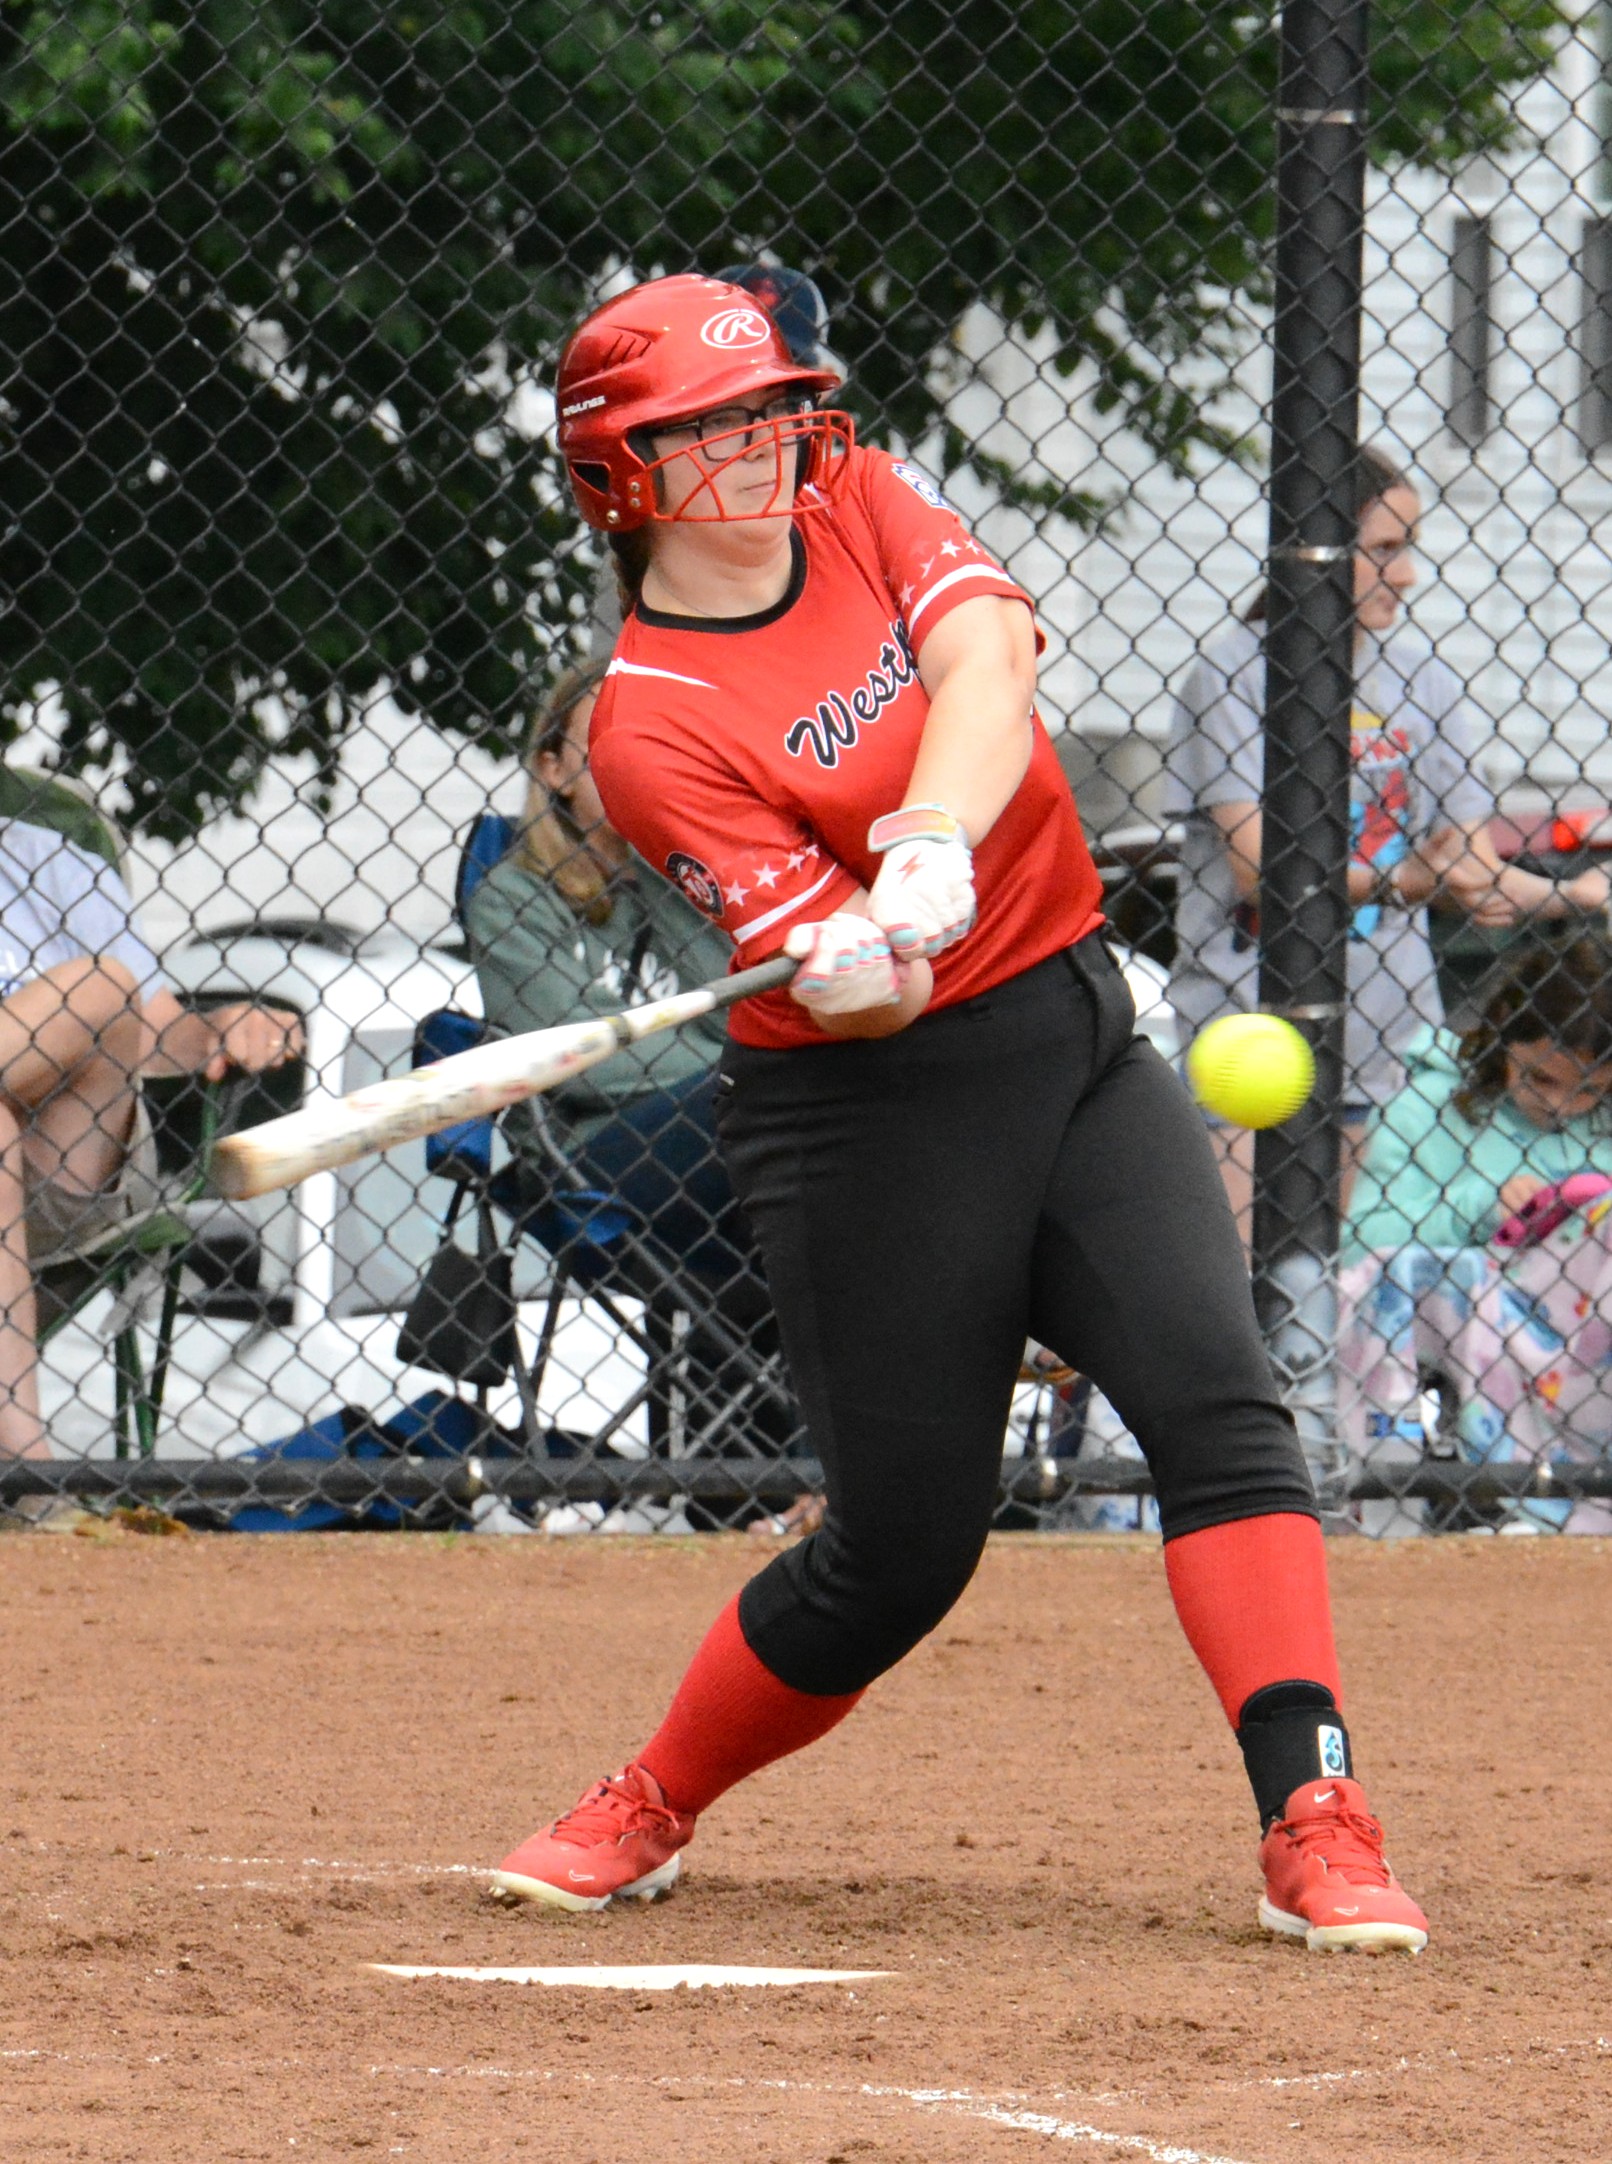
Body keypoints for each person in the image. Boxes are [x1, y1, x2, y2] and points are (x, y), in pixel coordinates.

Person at [487, 272, 1429, 1954]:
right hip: (863, 1116)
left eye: (770, 404)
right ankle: (651, 1792)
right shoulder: (646, 727)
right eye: (709, 426)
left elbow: (988, 655)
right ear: (621, 474)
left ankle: (1313, 1809)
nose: (763, 441)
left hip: (1067, 1034)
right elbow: (859, 998)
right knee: (903, 1548)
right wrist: (847, 952)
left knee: (1221, 1413)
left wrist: (926, 833)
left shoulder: (851, 494)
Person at [1164, 446, 1611, 1244]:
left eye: (1408, 550)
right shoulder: (1233, 676)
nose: (1404, 577)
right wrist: (1409, 879)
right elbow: (1262, 870)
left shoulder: (1424, 681)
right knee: (1237, 1307)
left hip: (1387, 1054)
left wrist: (1577, 896)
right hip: (1249, 1047)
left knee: (1363, 1298)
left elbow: (1471, 874)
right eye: (1383, 551)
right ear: (1318, 547)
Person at [465, 657, 808, 1488]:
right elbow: (574, 1054)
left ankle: (772, 1489)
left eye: (647, 746)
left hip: (735, 1131)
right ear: (551, 767)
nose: (627, 765)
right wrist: (739, 1064)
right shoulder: (513, 897)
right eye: (603, 746)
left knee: (815, 1171)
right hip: (594, 1159)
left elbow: (750, 1009)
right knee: (794, 1093)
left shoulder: (683, 880)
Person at [0, 815, 301, 1464]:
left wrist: (219, 1029)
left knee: (103, 983)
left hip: (55, 1187)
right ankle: (23, 1457)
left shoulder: (50, 861)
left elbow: (157, 1031)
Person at [1339, 938, 1612, 1516]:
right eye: (1540, 1080)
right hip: (1466, 1317)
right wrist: (1480, 1206)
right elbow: (1361, 1241)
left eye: (1589, 1090)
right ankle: (1515, 1501)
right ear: (1502, 1043)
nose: (1562, 1107)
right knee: (1443, 1275)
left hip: (1588, 1322)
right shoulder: (1430, 1102)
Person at [586, 262, 842, 661]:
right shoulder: (659, 547)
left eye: (783, 397)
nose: (760, 436)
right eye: (722, 412)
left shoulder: (862, 496)